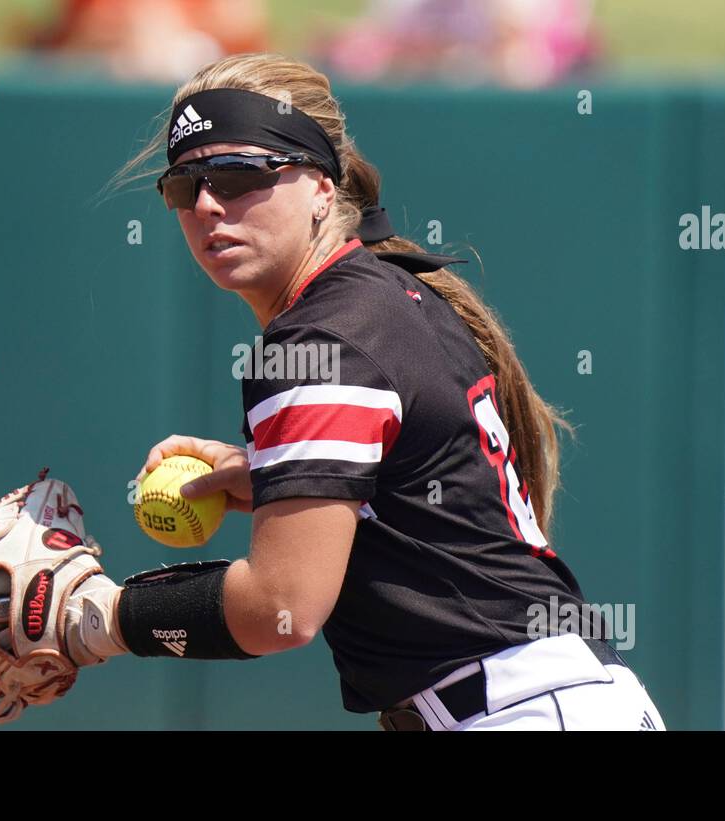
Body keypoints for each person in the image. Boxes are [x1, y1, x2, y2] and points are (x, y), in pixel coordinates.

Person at [75, 51, 667, 731]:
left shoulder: (323, 339)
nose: (208, 203)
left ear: (322, 187)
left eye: (239, 174)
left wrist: (97, 617)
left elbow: (279, 608)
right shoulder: (385, 298)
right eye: (185, 185)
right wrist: (287, 477)